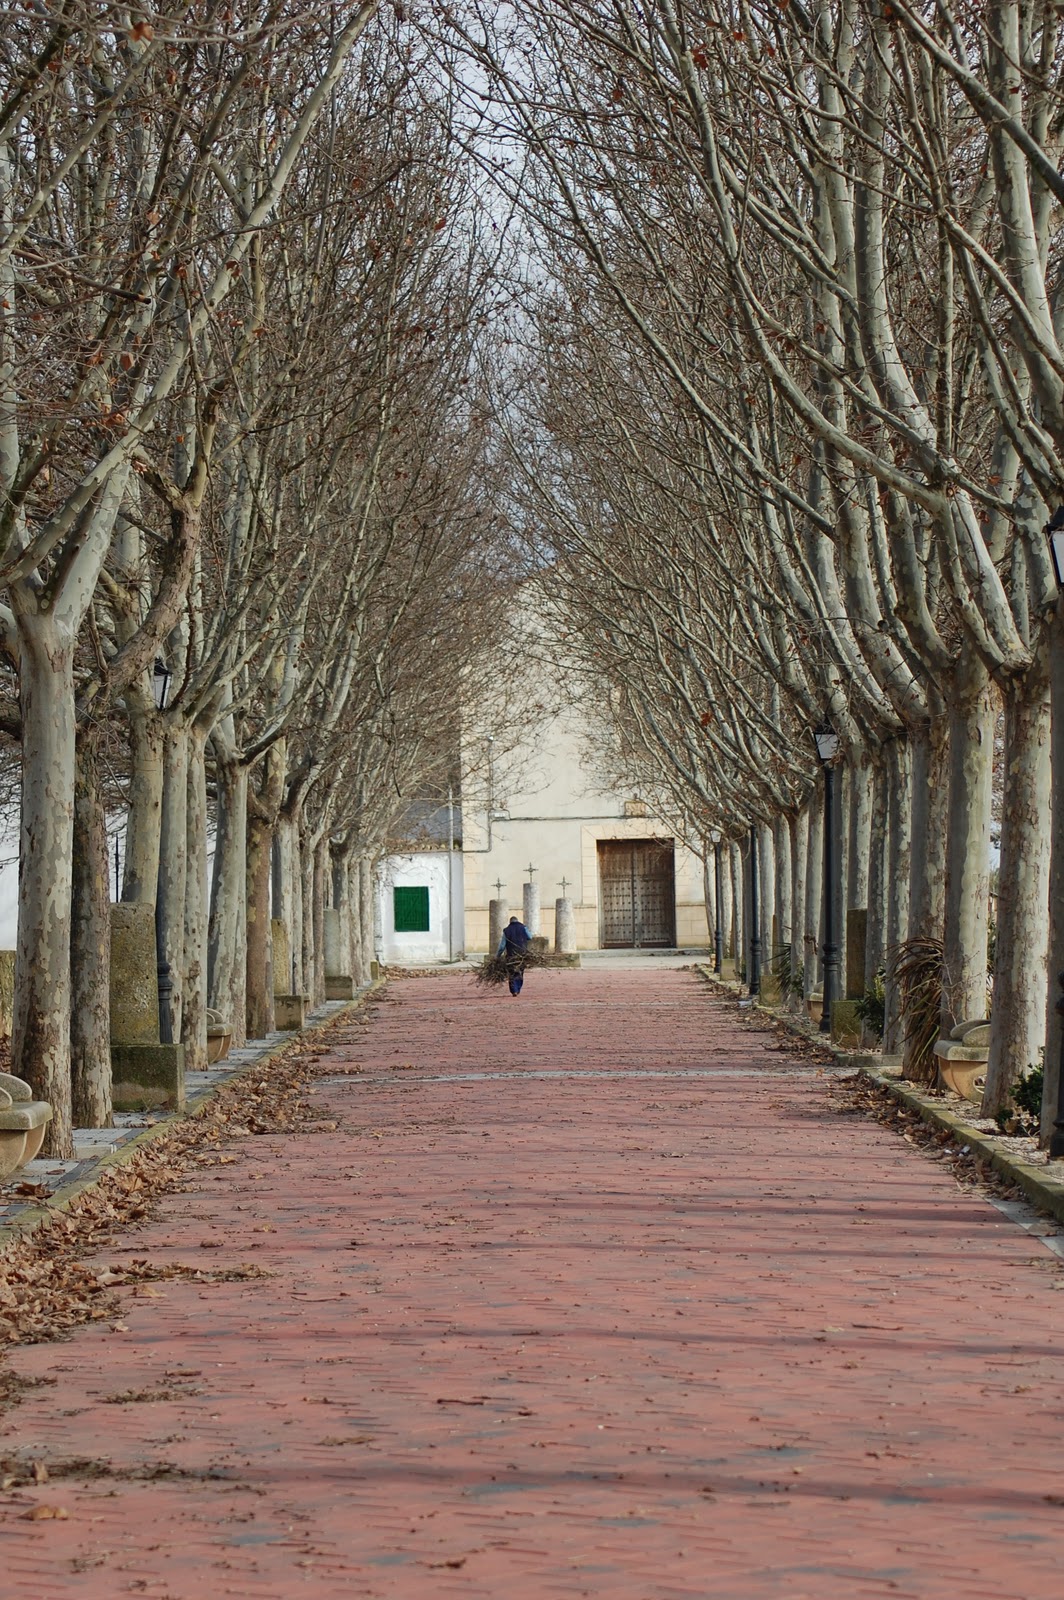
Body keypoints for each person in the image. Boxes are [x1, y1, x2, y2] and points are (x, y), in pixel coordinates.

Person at [497, 915, 532, 996]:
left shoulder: (506, 930)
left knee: (512, 972)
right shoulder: (523, 927)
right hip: (522, 954)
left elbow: (502, 946)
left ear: (510, 922)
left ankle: (514, 990)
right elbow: (530, 937)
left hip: (511, 954)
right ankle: (518, 988)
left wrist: (498, 955)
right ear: (517, 920)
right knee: (520, 972)